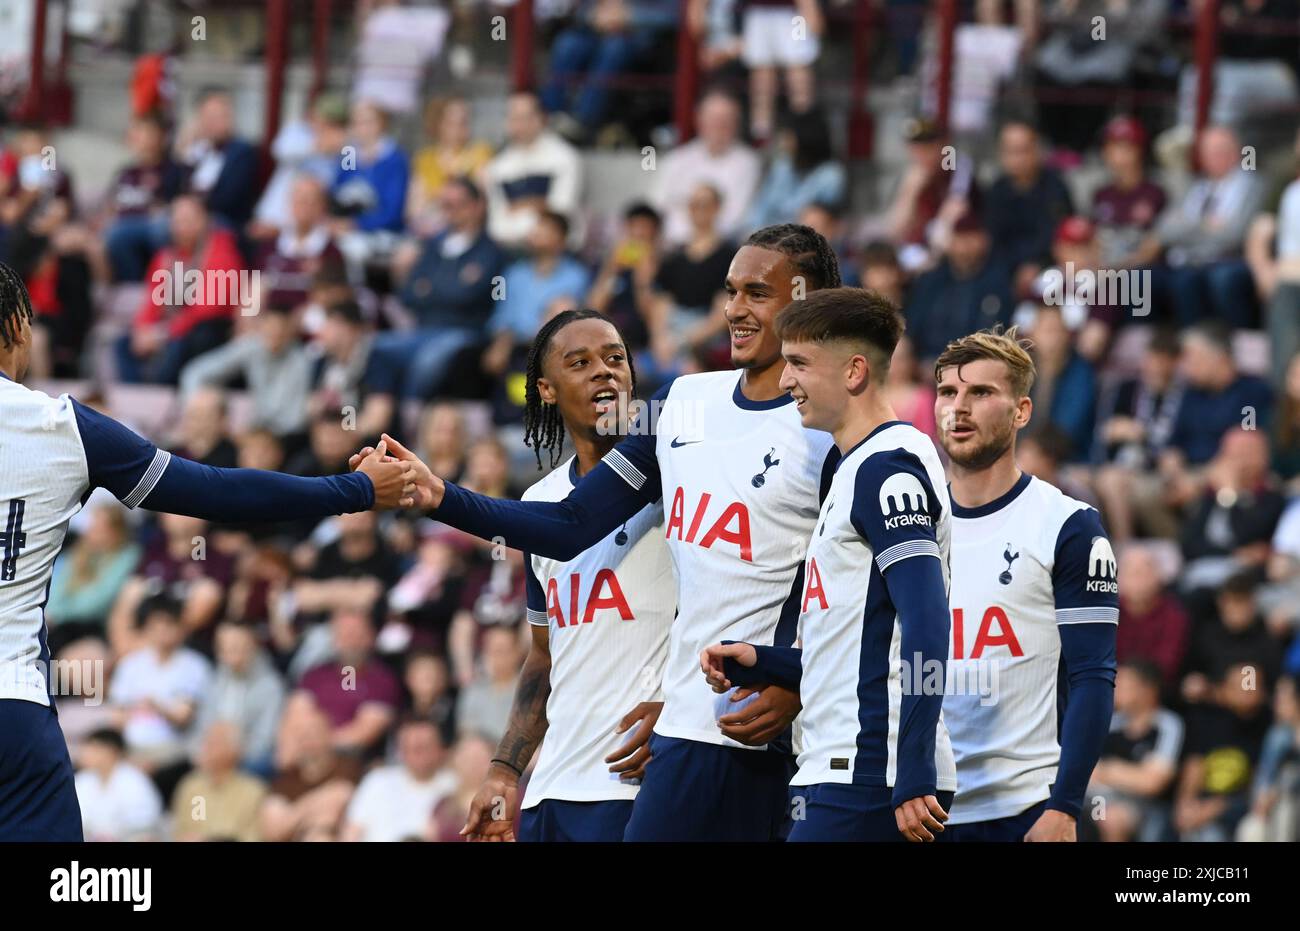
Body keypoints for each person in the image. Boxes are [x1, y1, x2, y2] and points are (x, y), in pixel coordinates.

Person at [352, 225, 843, 841]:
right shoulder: (682, 405)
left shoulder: (831, 434)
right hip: (612, 760)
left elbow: (850, 585)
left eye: (757, 293)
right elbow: (568, 531)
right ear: (547, 389)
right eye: (730, 292)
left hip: (728, 739)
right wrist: (438, 494)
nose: (736, 310)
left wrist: (794, 675)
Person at [0, 261, 415, 841]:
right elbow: (220, 493)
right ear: (19, 325)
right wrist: (359, 489)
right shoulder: (60, 428)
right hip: (11, 705)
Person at [699, 288, 956, 842]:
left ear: (854, 371)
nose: (786, 379)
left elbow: (928, 625)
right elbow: (862, 643)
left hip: (869, 777)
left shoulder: (887, 471)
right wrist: (768, 662)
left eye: (799, 363)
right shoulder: (854, 467)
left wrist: (913, 773)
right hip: (842, 771)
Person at [456, 310, 675, 842]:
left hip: (638, 784)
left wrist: (681, 713)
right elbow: (544, 653)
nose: (604, 371)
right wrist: (506, 770)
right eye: (580, 363)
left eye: (615, 358)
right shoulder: (540, 501)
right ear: (547, 391)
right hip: (553, 788)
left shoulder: (679, 479)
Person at [932, 327, 1119, 841]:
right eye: (948, 392)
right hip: (914, 806)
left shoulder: (1069, 526)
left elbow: (1093, 676)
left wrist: (1065, 805)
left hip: (1020, 811)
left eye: (981, 393)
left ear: (1021, 411)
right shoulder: (905, 521)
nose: (959, 408)